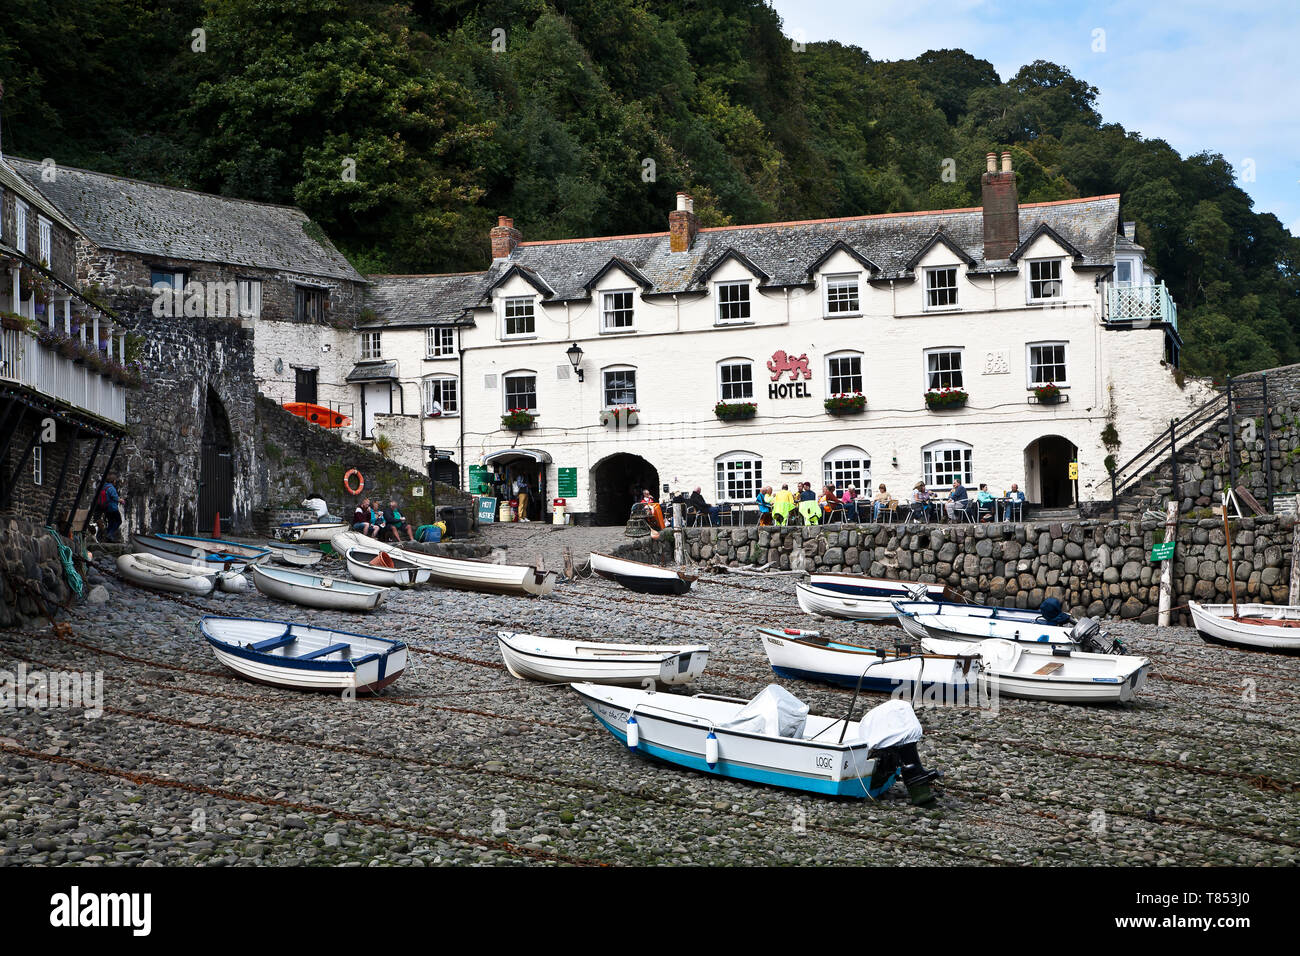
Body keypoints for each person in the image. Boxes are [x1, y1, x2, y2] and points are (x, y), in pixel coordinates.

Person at [98, 472, 123, 542]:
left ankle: (107, 536)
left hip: (106, 508)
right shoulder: (111, 488)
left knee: (111, 522)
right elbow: (114, 497)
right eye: (115, 480)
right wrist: (121, 500)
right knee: (118, 521)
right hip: (113, 508)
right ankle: (109, 534)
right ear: (113, 481)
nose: (116, 482)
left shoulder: (104, 487)